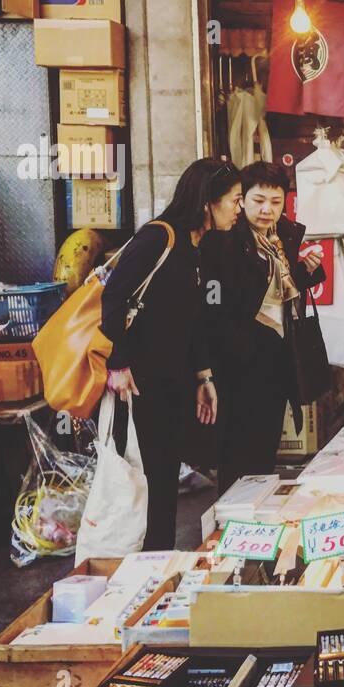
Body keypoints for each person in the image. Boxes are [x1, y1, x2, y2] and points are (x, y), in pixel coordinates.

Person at [101, 158, 242, 551]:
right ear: (206, 202)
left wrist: (203, 377)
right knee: (150, 481)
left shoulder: (195, 246)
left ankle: (158, 563)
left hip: (175, 381)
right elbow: (114, 298)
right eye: (234, 200)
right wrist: (118, 363)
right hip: (142, 383)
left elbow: (192, 320)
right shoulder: (157, 238)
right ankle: (141, 563)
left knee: (164, 481)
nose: (238, 208)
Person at [199, 161, 326, 497]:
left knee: (265, 447)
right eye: (259, 200)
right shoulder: (225, 238)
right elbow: (219, 304)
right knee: (236, 451)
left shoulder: (283, 236)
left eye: (276, 201)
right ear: (242, 200)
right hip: (238, 362)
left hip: (278, 356)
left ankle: (256, 519)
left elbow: (283, 290)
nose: (267, 210)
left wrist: (305, 271)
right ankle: (230, 523)